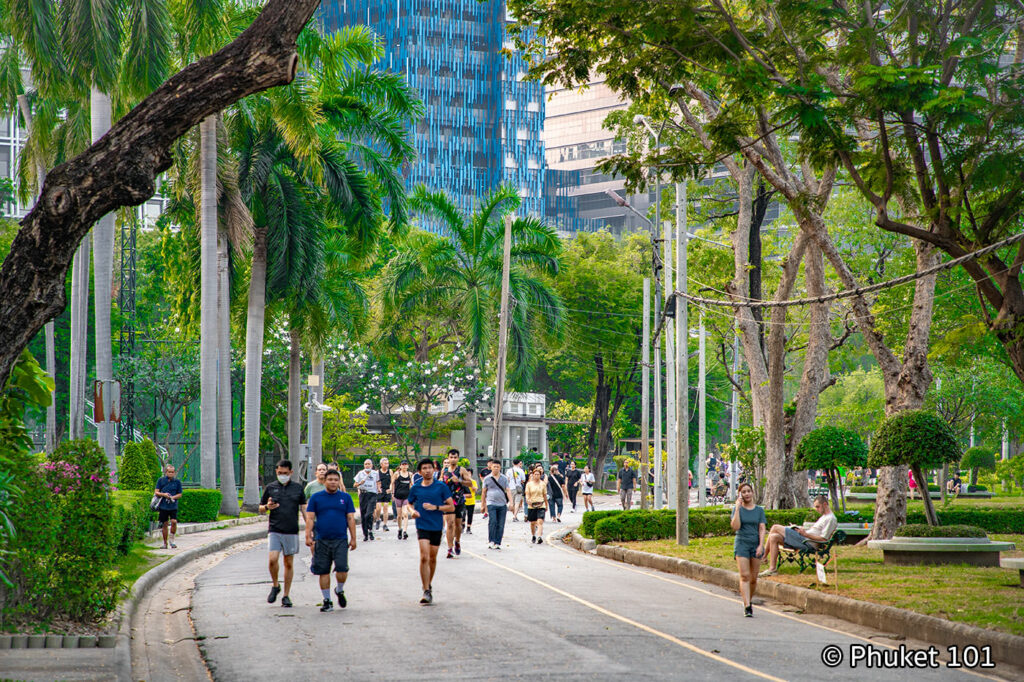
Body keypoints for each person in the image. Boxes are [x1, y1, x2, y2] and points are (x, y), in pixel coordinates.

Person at [305, 469, 356, 612]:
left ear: (339, 482)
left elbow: (350, 518)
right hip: (321, 539)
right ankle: (327, 600)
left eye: (335, 480)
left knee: (342, 569)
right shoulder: (316, 498)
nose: (333, 482)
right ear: (325, 481)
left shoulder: (345, 497)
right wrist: (308, 535)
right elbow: (310, 518)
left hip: (340, 539)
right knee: (323, 571)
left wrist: (353, 538)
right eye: (330, 479)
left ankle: (339, 589)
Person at [407, 458, 455, 604]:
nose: (427, 470)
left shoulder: (441, 486)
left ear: (434, 470)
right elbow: (409, 503)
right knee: (424, 557)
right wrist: (412, 511)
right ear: (420, 471)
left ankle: (429, 584)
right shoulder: (416, 487)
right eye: (424, 468)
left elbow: (451, 506)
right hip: (422, 525)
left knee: (432, 558)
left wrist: (436, 508)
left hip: (436, 526)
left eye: (430, 468)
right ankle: (426, 589)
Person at [259, 460, 306, 607]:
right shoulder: (271, 487)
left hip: (291, 530)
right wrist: (267, 507)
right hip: (275, 529)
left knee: (288, 562)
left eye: (285, 473)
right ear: (276, 472)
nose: (282, 475)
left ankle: (286, 595)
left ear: (291, 472)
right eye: (280, 473)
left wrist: (310, 527)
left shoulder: (298, 488)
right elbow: (260, 508)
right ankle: (275, 585)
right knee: (273, 559)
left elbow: (304, 508)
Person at [760, 495, 838, 577]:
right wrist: (801, 529)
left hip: (807, 542)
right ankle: (772, 569)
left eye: (818, 507)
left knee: (775, 527)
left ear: (825, 504)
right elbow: (815, 531)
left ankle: (763, 557)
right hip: (804, 539)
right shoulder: (824, 517)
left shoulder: (830, 519)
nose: (816, 509)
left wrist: (805, 534)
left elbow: (823, 539)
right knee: (774, 537)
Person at [730, 482, 766, 617]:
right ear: (740, 495)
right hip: (742, 543)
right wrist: (737, 508)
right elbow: (735, 526)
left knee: (753, 578)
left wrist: (761, 545)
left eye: (748, 491)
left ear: (752, 493)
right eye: (743, 492)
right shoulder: (737, 509)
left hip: (755, 543)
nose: (746, 494)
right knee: (745, 575)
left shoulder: (759, 510)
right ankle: (747, 606)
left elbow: (762, 528)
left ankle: (748, 599)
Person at [440, 449, 473, 558]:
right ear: (448, 458)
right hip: (447, 501)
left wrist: (459, 480)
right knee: (450, 524)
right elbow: (440, 483)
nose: (453, 459)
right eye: (451, 457)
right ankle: (450, 549)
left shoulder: (461, 470)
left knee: (458, 525)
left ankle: (457, 541)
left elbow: (470, 483)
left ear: (458, 458)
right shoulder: (444, 471)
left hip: (459, 500)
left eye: (455, 457)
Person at [481, 458, 510, 549]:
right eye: (494, 467)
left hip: (502, 504)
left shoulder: (504, 478)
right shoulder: (487, 478)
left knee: (501, 524)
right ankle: (491, 541)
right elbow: (483, 492)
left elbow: (508, 490)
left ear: (500, 467)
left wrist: (511, 503)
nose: (496, 468)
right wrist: (483, 504)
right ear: (491, 467)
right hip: (491, 503)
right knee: (493, 521)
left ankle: (498, 542)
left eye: (498, 467)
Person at [154, 464, 183, 549]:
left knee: (174, 521)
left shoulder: (177, 482)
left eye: (172, 472)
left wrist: (172, 497)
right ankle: (165, 543)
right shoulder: (161, 480)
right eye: (169, 472)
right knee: (164, 524)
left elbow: (180, 494)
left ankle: (172, 539)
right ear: (166, 472)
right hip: (163, 505)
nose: (171, 473)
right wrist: (164, 495)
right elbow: (156, 492)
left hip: (173, 505)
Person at [353, 459, 380, 542]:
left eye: (369, 464)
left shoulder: (375, 473)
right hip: (363, 494)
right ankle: (366, 534)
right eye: (365, 464)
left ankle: (370, 529)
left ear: (371, 465)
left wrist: (379, 488)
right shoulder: (360, 473)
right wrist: (360, 483)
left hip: (372, 494)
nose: (367, 465)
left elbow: (378, 482)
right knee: (363, 514)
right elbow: (354, 485)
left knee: (368, 514)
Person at [524, 466, 548, 544]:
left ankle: (539, 537)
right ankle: (533, 535)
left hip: (541, 504)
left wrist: (546, 505)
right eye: (535, 474)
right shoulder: (529, 484)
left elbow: (545, 495)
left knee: (540, 521)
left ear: (540, 475)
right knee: (533, 523)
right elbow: (527, 494)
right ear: (533, 475)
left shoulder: (543, 484)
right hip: (532, 505)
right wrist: (528, 500)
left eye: (538, 474)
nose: (537, 476)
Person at [391, 460, 413, 539]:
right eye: (403, 465)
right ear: (400, 466)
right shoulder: (397, 474)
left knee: (405, 514)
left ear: (408, 466)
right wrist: (392, 493)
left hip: (406, 496)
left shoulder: (410, 474)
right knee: (399, 515)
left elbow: (411, 485)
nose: (404, 466)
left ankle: (405, 531)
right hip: (398, 496)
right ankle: (400, 529)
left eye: (405, 465)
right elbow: (392, 483)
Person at [376, 457, 392, 532]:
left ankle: (385, 524)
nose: (387, 465)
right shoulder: (377, 472)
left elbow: (392, 482)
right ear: (381, 464)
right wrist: (378, 488)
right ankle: (378, 519)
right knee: (378, 507)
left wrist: (391, 489)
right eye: (385, 463)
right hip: (380, 491)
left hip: (387, 491)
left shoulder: (390, 471)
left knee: (385, 507)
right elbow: (376, 482)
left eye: (387, 463)